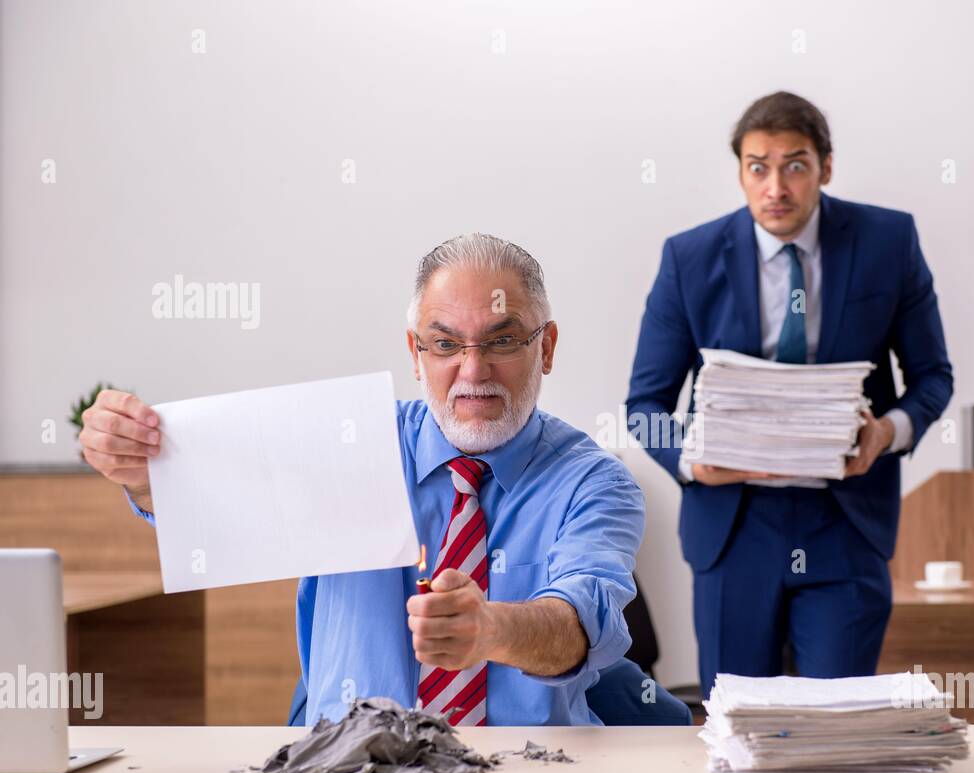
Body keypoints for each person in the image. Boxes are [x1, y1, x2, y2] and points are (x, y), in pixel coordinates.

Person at [80, 233, 686, 726]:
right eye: (445, 344)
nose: (472, 370)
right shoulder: (348, 440)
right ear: (415, 352)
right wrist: (141, 472)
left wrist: (493, 629)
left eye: (502, 340)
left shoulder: (593, 482)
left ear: (546, 347)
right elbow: (220, 505)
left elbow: (585, 624)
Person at [626, 91, 954, 696]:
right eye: (759, 167)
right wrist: (693, 462)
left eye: (795, 165)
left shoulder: (888, 242)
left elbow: (933, 377)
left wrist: (887, 432)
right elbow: (643, 408)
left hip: (844, 520)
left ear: (826, 168)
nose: (776, 186)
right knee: (738, 725)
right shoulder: (690, 258)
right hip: (734, 525)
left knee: (839, 722)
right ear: (741, 173)